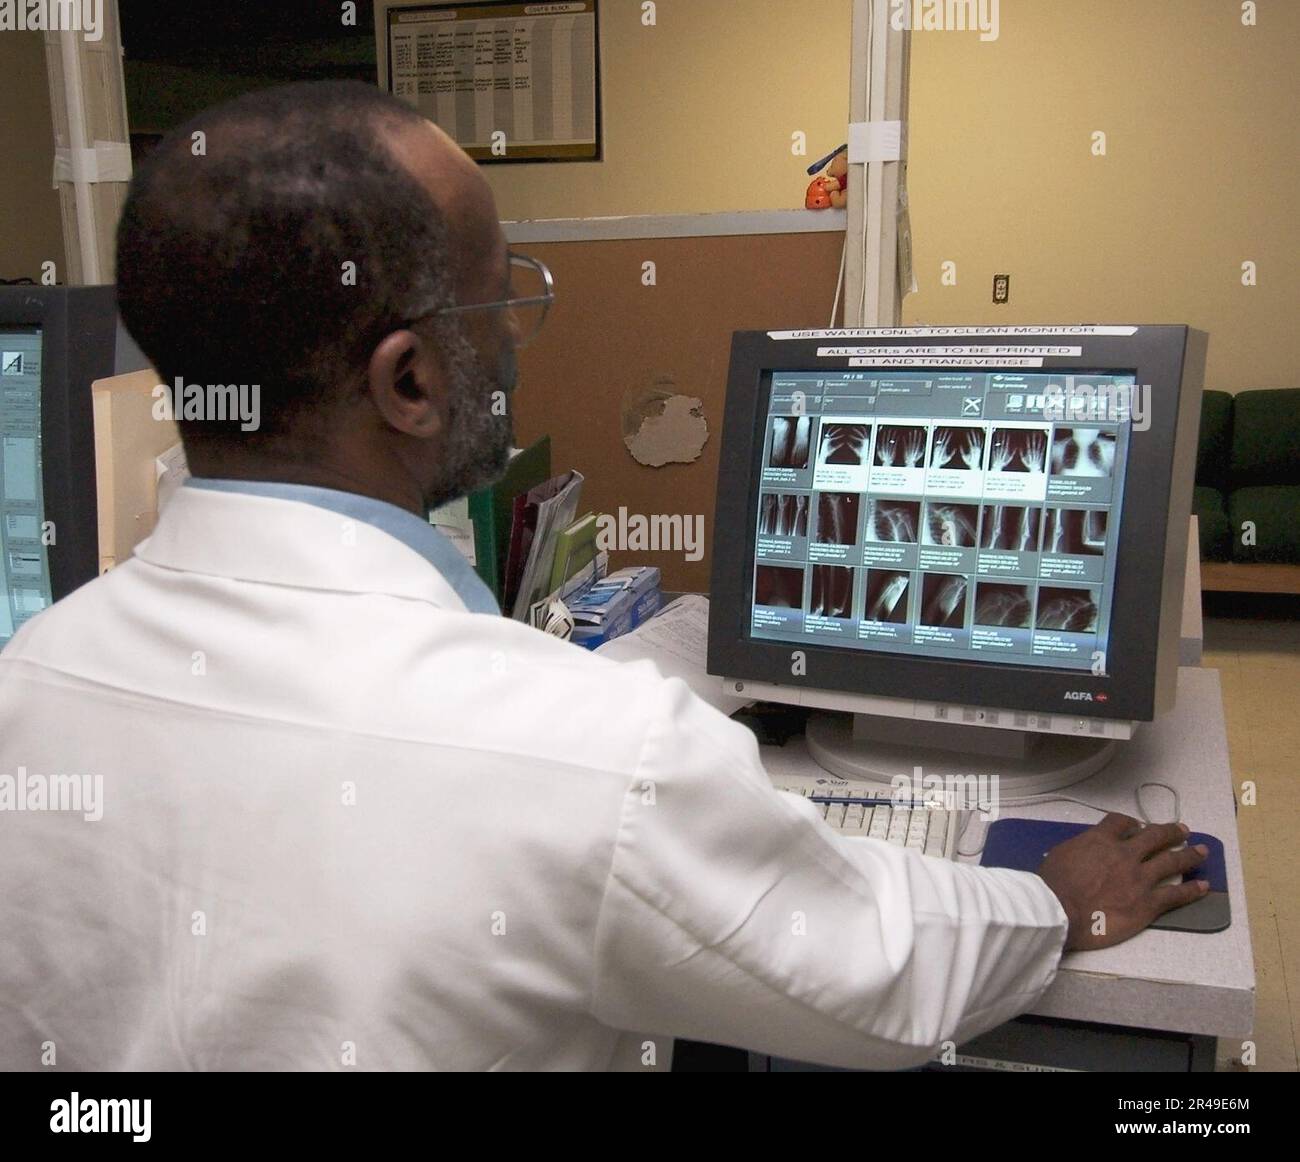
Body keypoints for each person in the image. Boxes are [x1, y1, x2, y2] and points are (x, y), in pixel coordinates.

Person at [0, 81, 1207, 1072]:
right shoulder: (582, 748)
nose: (518, 334)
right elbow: (870, 975)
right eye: (500, 298)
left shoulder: (31, 682)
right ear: (409, 381)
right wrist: (1052, 900)